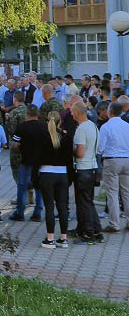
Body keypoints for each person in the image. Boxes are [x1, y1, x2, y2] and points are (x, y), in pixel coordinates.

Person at [34, 110, 73, 249]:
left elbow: (36, 159)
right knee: (62, 207)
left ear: (47, 121)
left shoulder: (43, 137)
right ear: (59, 121)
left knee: (49, 207)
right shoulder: (66, 137)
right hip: (62, 174)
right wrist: (70, 178)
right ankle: (63, 238)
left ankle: (49, 239)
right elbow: (70, 159)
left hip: (46, 174)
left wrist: (35, 178)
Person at [71, 102, 103, 244]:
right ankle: (96, 231)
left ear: (77, 113)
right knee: (88, 201)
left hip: (83, 168)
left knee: (84, 202)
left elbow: (80, 152)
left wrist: (71, 150)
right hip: (92, 167)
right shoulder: (93, 126)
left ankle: (88, 235)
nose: (71, 114)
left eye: (72, 112)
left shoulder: (81, 129)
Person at [97, 101, 129, 233]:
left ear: (109, 112)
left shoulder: (106, 126)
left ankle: (114, 224)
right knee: (127, 192)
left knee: (112, 193)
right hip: (127, 159)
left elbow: (100, 148)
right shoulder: (127, 125)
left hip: (112, 160)